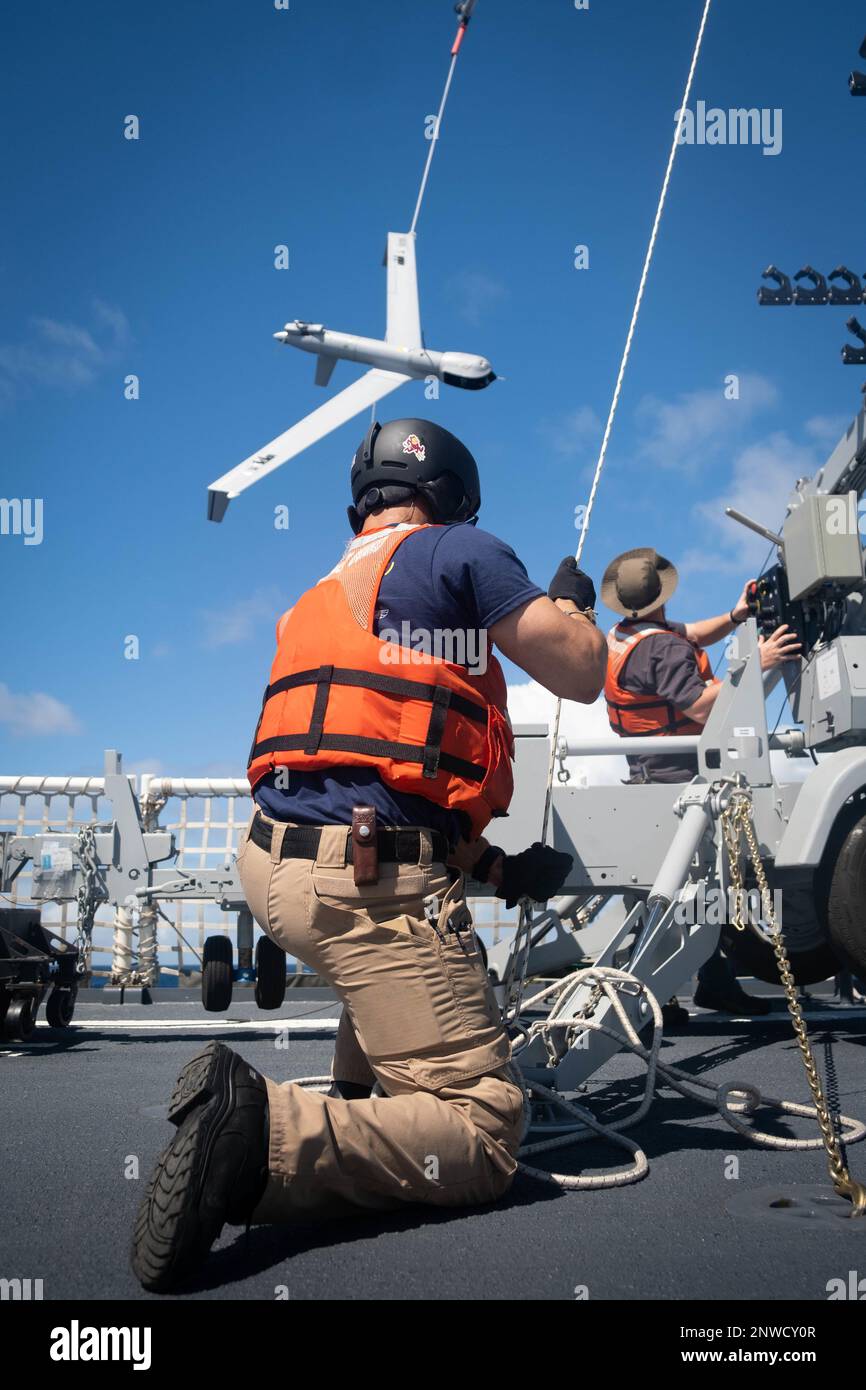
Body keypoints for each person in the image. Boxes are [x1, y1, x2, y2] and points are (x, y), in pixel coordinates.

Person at [131, 418, 607, 1291]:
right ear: (453, 493)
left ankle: (358, 1109)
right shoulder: (459, 552)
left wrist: (496, 870)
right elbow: (581, 671)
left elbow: (368, 771)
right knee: (482, 1130)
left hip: (277, 872)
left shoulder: (324, 590)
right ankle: (258, 1132)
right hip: (366, 886)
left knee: (382, 970)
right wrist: (574, 606)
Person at [601, 546, 801, 1017]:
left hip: (645, 774)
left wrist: (736, 615)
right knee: (709, 884)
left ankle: (669, 990)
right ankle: (706, 982)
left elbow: (690, 633)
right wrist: (761, 660)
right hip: (680, 779)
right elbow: (698, 706)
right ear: (662, 596)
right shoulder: (663, 648)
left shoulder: (627, 634)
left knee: (673, 888)